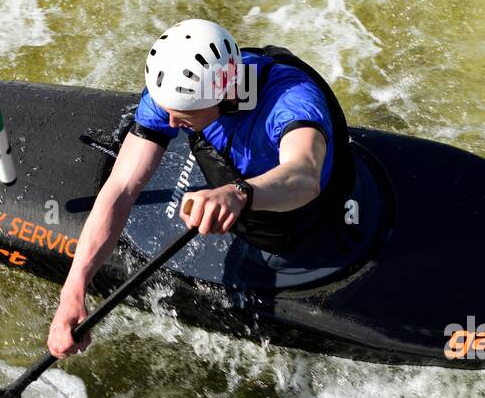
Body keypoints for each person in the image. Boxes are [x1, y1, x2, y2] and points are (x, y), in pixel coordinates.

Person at [47, 18, 361, 358]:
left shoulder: (292, 101)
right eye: (167, 111)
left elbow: (304, 175)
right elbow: (121, 188)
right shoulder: (175, 94)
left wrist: (237, 193)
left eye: (182, 114)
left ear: (225, 93)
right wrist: (73, 291)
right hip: (241, 180)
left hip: (302, 218)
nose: (169, 124)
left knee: (277, 239)